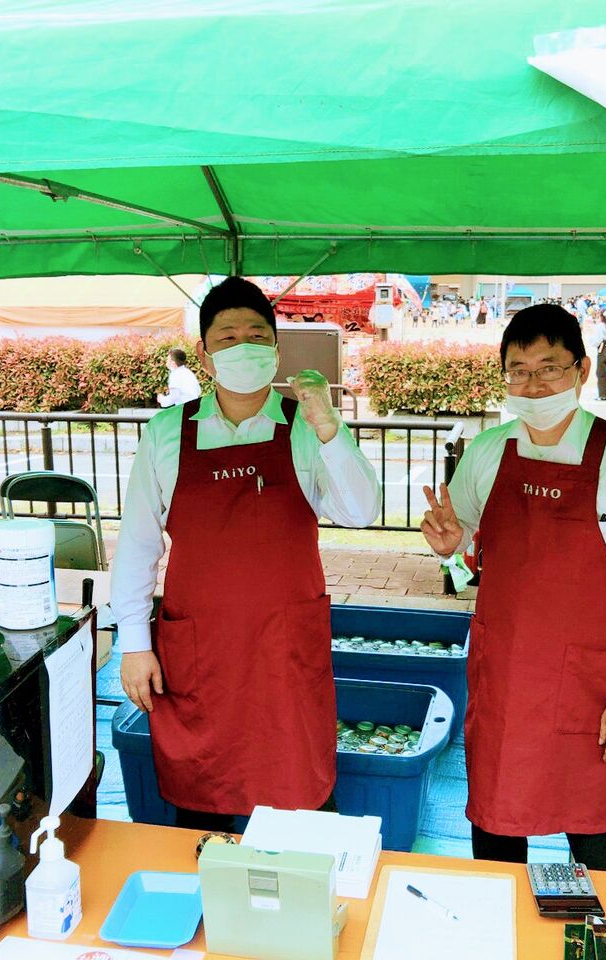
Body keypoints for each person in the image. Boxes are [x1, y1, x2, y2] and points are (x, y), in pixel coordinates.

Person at [112, 276, 382, 832]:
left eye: (256, 335)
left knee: (298, 791)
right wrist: (134, 646)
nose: (242, 346)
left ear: (276, 349)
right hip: (199, 649)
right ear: (206, 353)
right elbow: (138, 545)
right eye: (227, 336)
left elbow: (360, 513)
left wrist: (330, 428)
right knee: (199, 793)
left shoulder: (305, 427)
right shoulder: (167, 433)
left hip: (284, 646)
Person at [419, 303, 606, 872]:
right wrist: (448, 542)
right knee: (496, 831)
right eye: (518, 370)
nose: (533, 385)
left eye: (549, 368)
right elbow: (459, 536)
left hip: (591, 688)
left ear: (583, 371)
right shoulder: (488, 452)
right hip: (506, 680)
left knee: (603, 841)